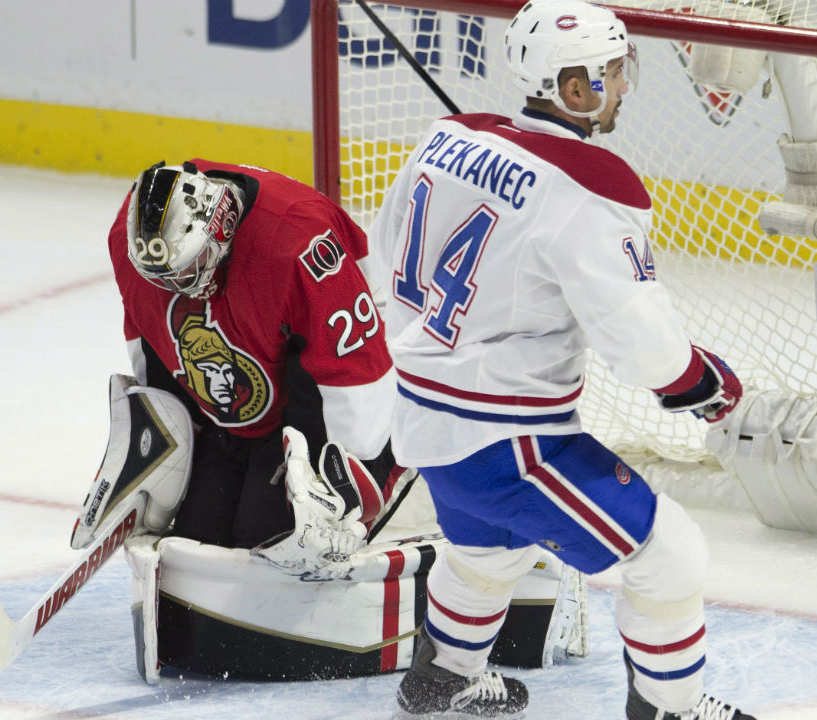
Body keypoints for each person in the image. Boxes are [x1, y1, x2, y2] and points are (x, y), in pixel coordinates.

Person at [365, 1, 754, 718]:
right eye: (612, 72)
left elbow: (383, 258)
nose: (624, 84)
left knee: (487, 552)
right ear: (574, 90)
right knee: (669, 553)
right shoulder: (590, 188)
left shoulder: (445, 138)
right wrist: (696, 379)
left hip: (422, 416)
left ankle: (444, 677)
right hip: (508, 441)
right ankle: (672, 709)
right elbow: (641, 343)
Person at [105, 158, 398, 553]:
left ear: (221, 226)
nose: (178, 287)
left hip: (318, 385)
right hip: (242, 399)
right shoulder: (141, 247)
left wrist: (355, 472)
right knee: (195, 541)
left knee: (268, 539)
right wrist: (162, 441)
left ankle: (398, 461)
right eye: (165, 278)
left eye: (189, 268)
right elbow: (154, 345)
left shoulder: (299, 243)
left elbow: (357, 367)